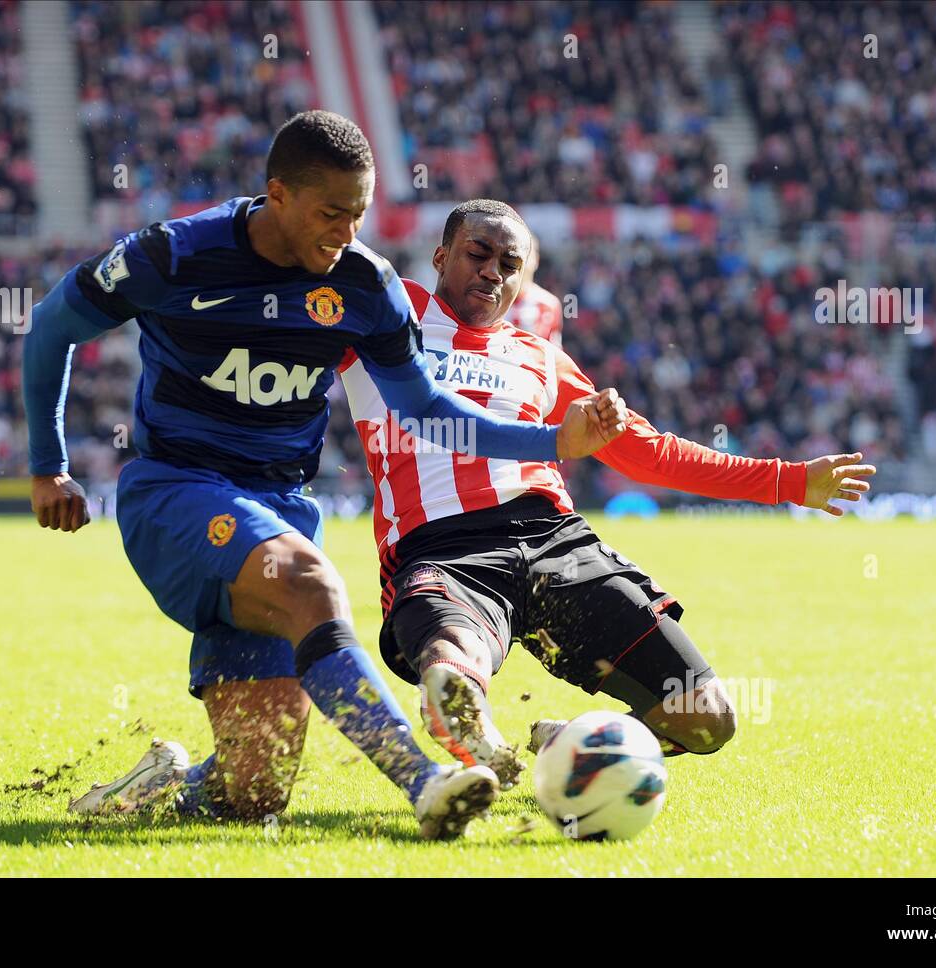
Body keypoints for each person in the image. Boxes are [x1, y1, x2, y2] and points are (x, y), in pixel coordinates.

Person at [22, 116, 625, 838]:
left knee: (256, 790)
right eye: (329, 213)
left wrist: (551, 437)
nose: (344, 232)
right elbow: (52, 326)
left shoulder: (366, 286)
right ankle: (426, 782)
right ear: (277, 194)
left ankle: (154, 788)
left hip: (278, 508)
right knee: (313, 584)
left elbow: (427, 409)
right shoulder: (173, 255)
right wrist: (47, 468)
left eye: (358, 214)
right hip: (176, 493)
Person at [338, 199, 877, 786]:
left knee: (706, 717)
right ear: (441, 256)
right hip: (444, 548)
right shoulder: (390, 317)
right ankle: (469, 723)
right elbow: (308, 276)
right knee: (454, 654)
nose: (494, 271)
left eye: (510, 263)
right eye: (478, 253)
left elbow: (650, 453)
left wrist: (789, 481)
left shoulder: (542, 359)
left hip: (557, 543)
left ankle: (570, 743)